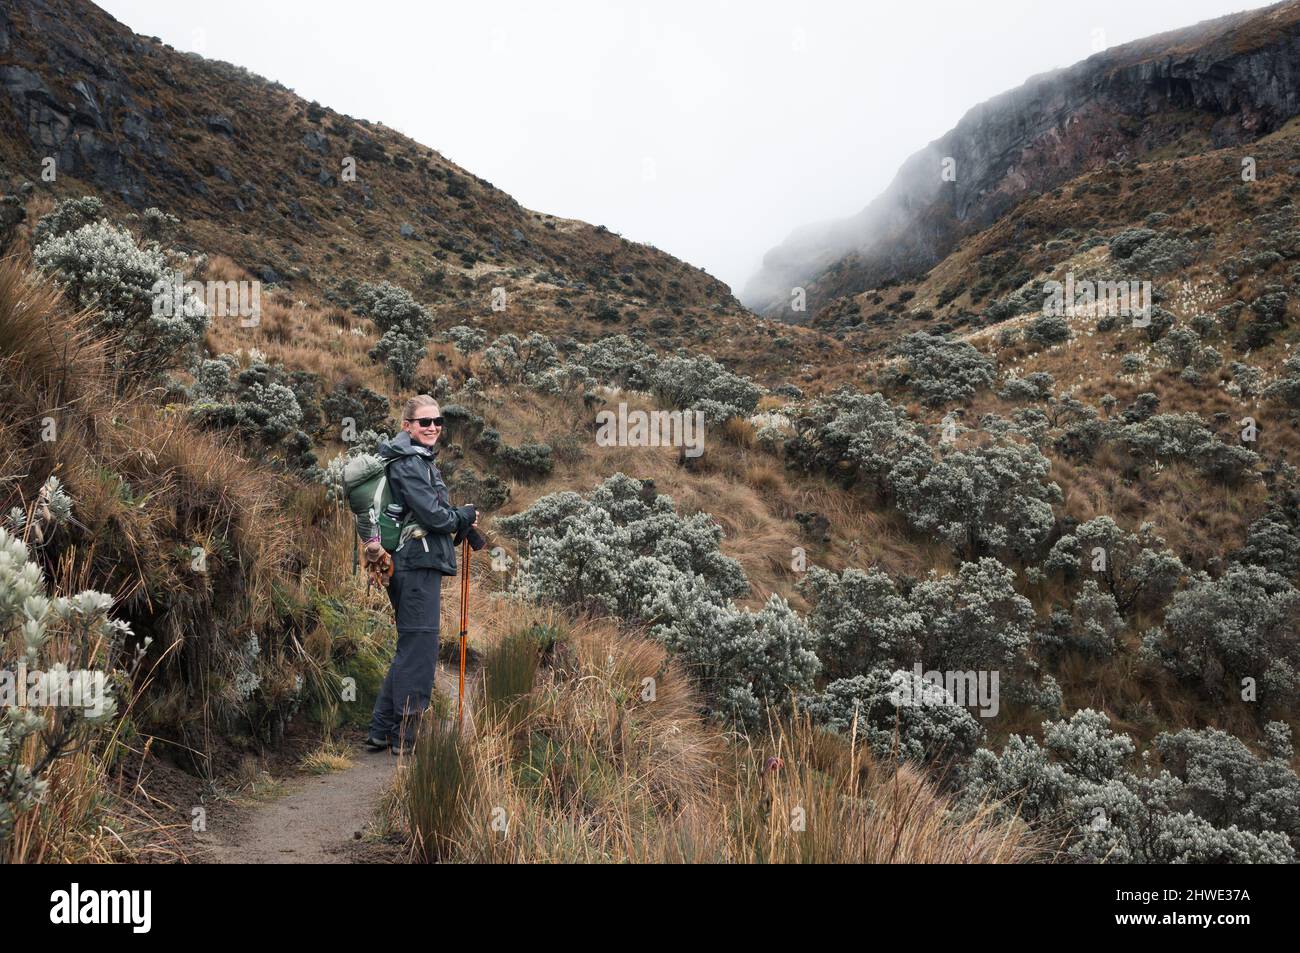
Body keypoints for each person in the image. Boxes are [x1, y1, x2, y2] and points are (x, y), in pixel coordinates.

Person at [365, 394, 479, 754]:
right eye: (424, 422)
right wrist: (460, 518)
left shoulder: (415, 458)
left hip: (413, 563)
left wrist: (457, 518)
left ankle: (381, 730)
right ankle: (406, 736)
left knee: (410, 647)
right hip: (415, 566)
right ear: (407, 426)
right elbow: (433, 516)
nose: (432, 428)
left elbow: (430, 512)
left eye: (437, 422)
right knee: (422, 650)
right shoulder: (410, 463)